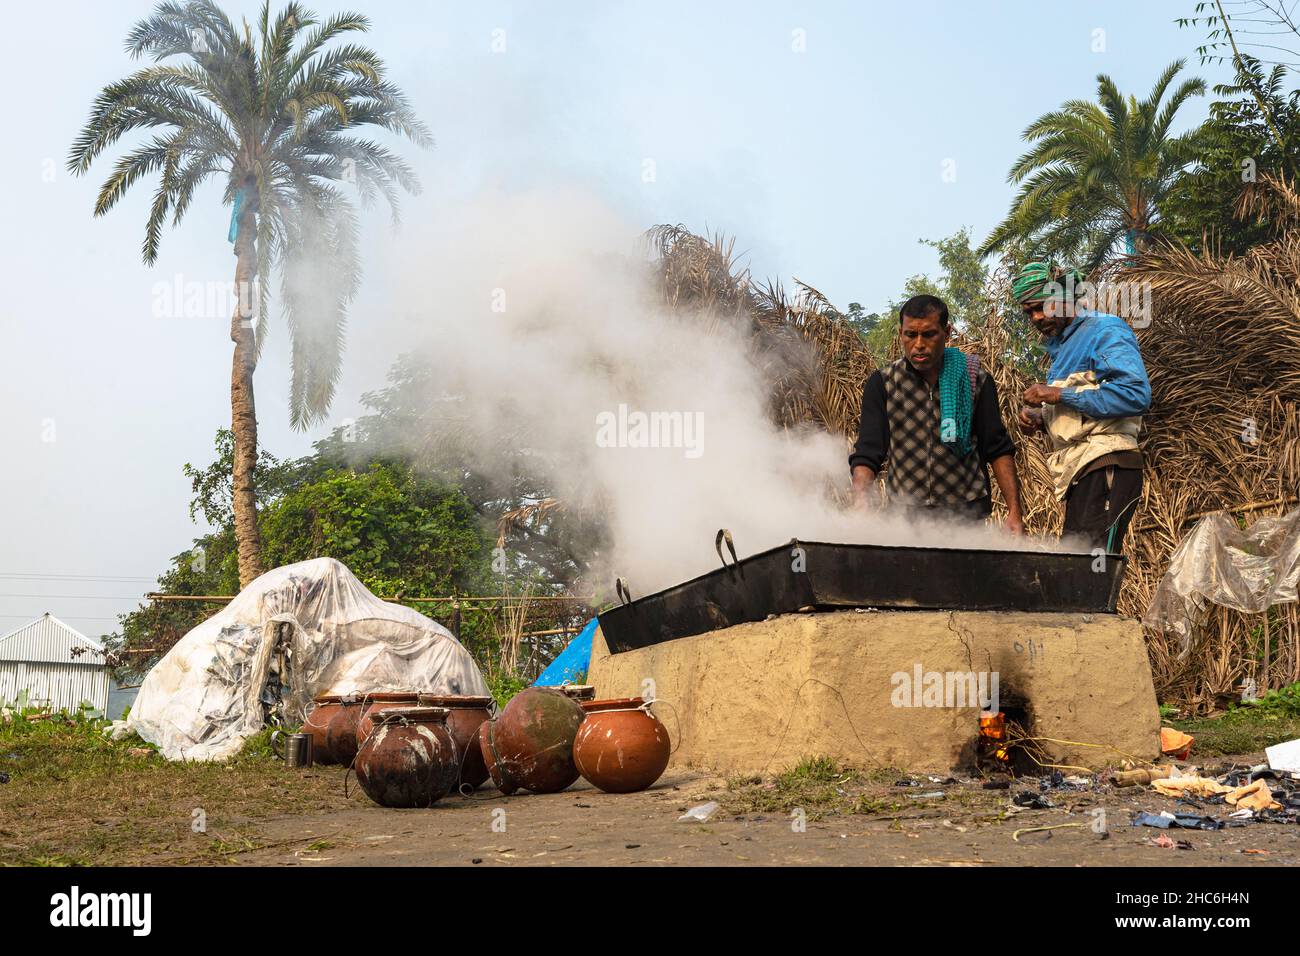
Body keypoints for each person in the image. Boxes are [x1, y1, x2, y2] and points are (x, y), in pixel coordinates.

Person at [850, 294, 1024, 531]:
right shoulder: (884, 384)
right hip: (905, 519)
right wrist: (861, 502)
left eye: (929, 334)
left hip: (967, 517)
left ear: (947, 332)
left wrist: (1014, 511)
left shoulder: (974, 380)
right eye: (911, 335)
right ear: (901, 333)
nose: (919, 344)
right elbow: (868, 452)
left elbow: (997, 447)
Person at [1012, 262, 1151, 554]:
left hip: (1107, 462)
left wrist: (1058, 395)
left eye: (1043, 306)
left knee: (1090, 566)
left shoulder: (1104, 329)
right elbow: (1082, 400)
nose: (1037, 317)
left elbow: (1135, 395)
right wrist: (1043, 417)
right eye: (1029, 312)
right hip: (1081, 469)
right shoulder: (1061, 346)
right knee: (1078, 566)